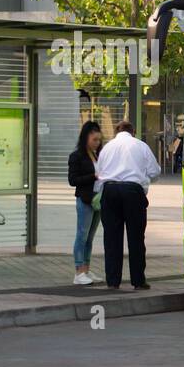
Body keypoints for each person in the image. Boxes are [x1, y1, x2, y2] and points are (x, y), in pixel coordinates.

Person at [95, 120, 160, 289]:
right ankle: (138, 281)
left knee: (111, 238)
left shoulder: (107, 148)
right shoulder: (141, 146)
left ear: (116, 132)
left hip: (109, 192)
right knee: (136, 237)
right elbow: (155, 171)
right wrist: (144, 178)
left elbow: (99, 173)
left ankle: (113, 281)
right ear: (134, 132)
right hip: (133, 192)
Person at [67, 120, 103, 285]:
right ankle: (78, 271)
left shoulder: (97, 154)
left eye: (98, 140)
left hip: (97, 200)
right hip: (85, 199)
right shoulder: (77, 156)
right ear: (85, 138)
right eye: (94, 140)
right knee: (81, 235)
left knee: (90, 237)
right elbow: (73, 180)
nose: (97, 143)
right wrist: (92, 177)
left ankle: (86, 270)